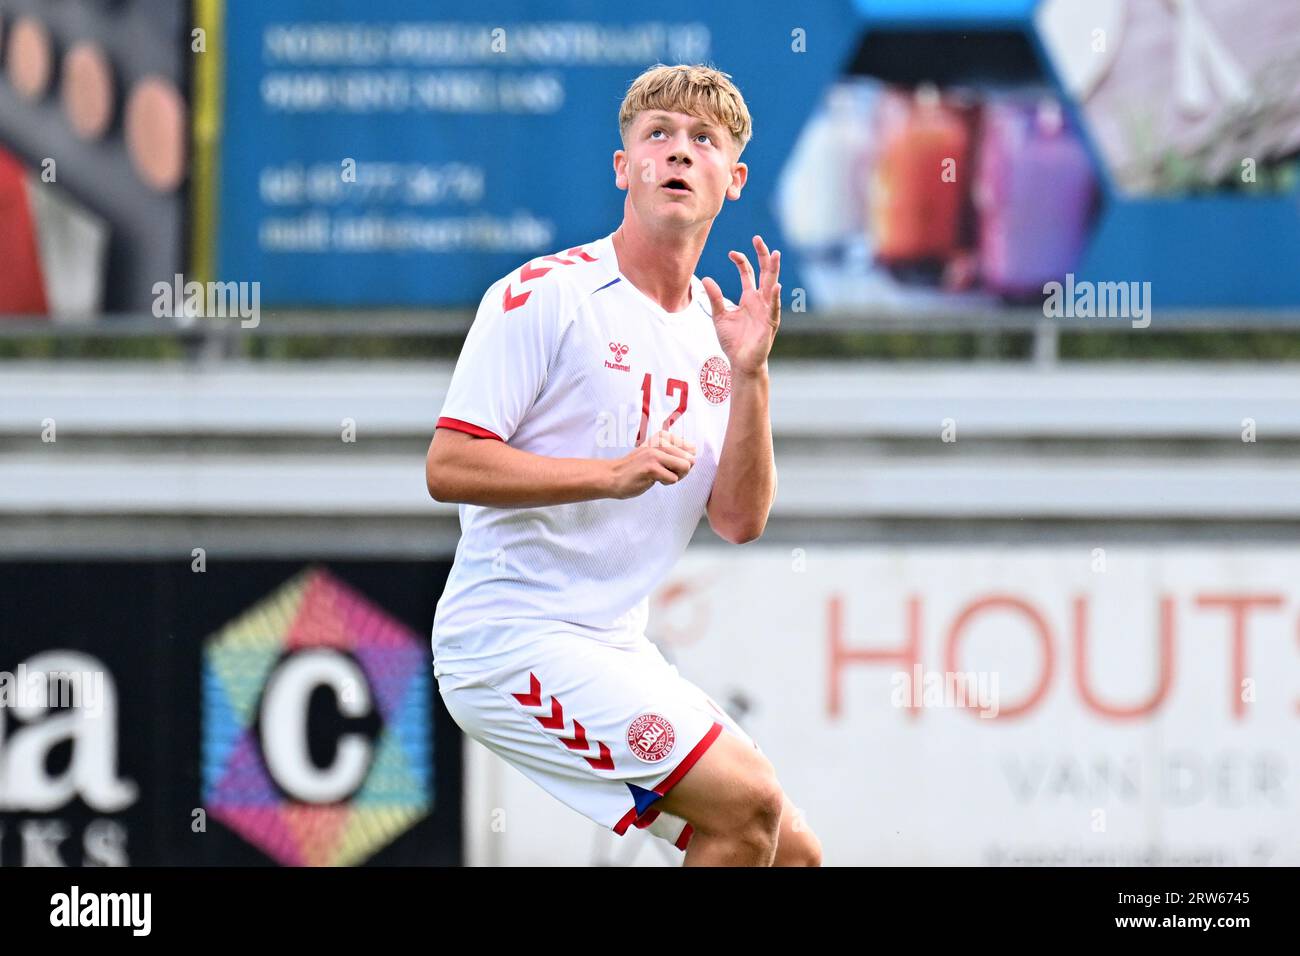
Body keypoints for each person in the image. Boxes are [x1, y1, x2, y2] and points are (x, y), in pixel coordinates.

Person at [425, 63, 821, 866]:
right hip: (509, 641)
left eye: (702, 140)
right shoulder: (543, 296)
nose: (678, 153)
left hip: (613, 643)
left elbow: (740, 522)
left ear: (734, 179)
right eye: (658, 136)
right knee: (748, 802)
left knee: (785, 850)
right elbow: (450, 464)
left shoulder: (720, 337)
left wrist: (751, 376)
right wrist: (610, 473)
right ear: (624, 166)